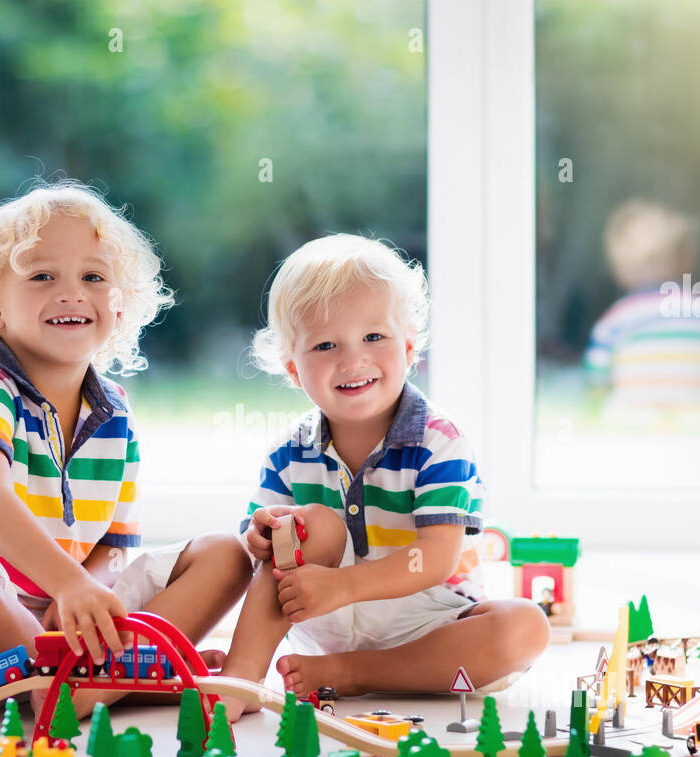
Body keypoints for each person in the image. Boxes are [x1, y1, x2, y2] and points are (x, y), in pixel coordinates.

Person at [0, 181, 251, 719]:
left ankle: (89, 680)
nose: (72, 293)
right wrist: (69, 583)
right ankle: (107, 681)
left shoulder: (115, 413)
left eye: (93, 278)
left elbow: (114, 544)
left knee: (226, 554)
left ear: (120, 305)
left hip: (59, 616)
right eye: (42, 276)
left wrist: (81, 592)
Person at [217, 234, 550, 722]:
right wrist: (262, 533)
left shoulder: (439, 442)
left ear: (409, 346)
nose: (353, 360)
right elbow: (259, 549)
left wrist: (345, 585)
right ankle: (243, 678)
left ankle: (357, 672)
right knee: (307, 523)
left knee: (525, 627)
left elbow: (436, 557)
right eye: (325, 345)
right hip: (323, 616)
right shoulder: (288, 452)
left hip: (428, 622)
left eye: (374, 337)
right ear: (293, 370)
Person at [583, 199, 700, 423]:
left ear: (620, 269)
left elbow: (597, 373)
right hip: (699, 414)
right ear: (686, 261)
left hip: (634, 415)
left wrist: (597, 397)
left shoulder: (618, 317)